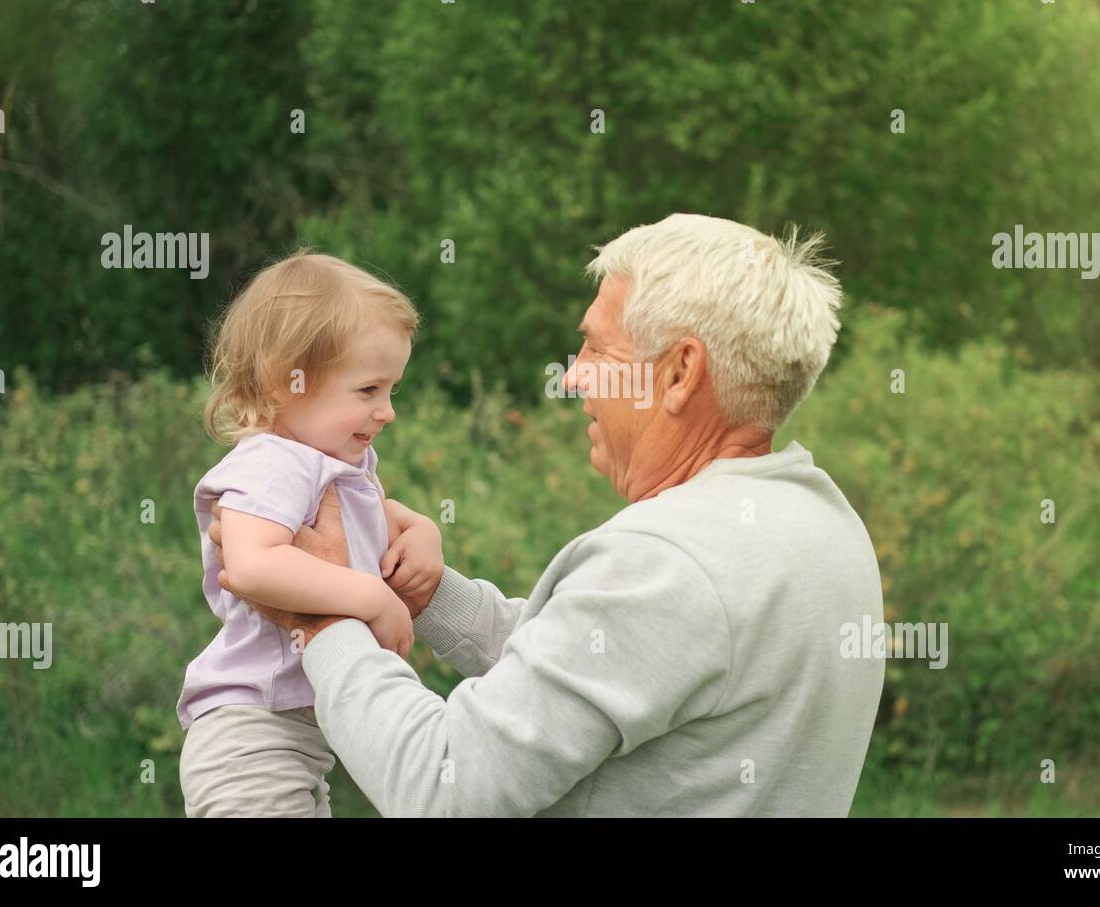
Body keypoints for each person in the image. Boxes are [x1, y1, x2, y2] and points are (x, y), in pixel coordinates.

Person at [212, 214, 886, 816]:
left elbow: (441, 787)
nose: (573, 377)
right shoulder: (821, 522)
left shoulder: (667, 565)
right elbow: (598, 671)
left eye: (597, 349)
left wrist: (324, 617)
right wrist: (428, 595)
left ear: (681, 372)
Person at [176, 251, 444, 817]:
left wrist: (420, 530)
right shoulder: (271, 463)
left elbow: (374, 518)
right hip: (248, 735)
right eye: (368, 390)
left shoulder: (332, 463)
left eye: (392, 390)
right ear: (284, 384)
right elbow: (251, 565)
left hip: (295, 735)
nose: (387, 411)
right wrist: (370, 598)